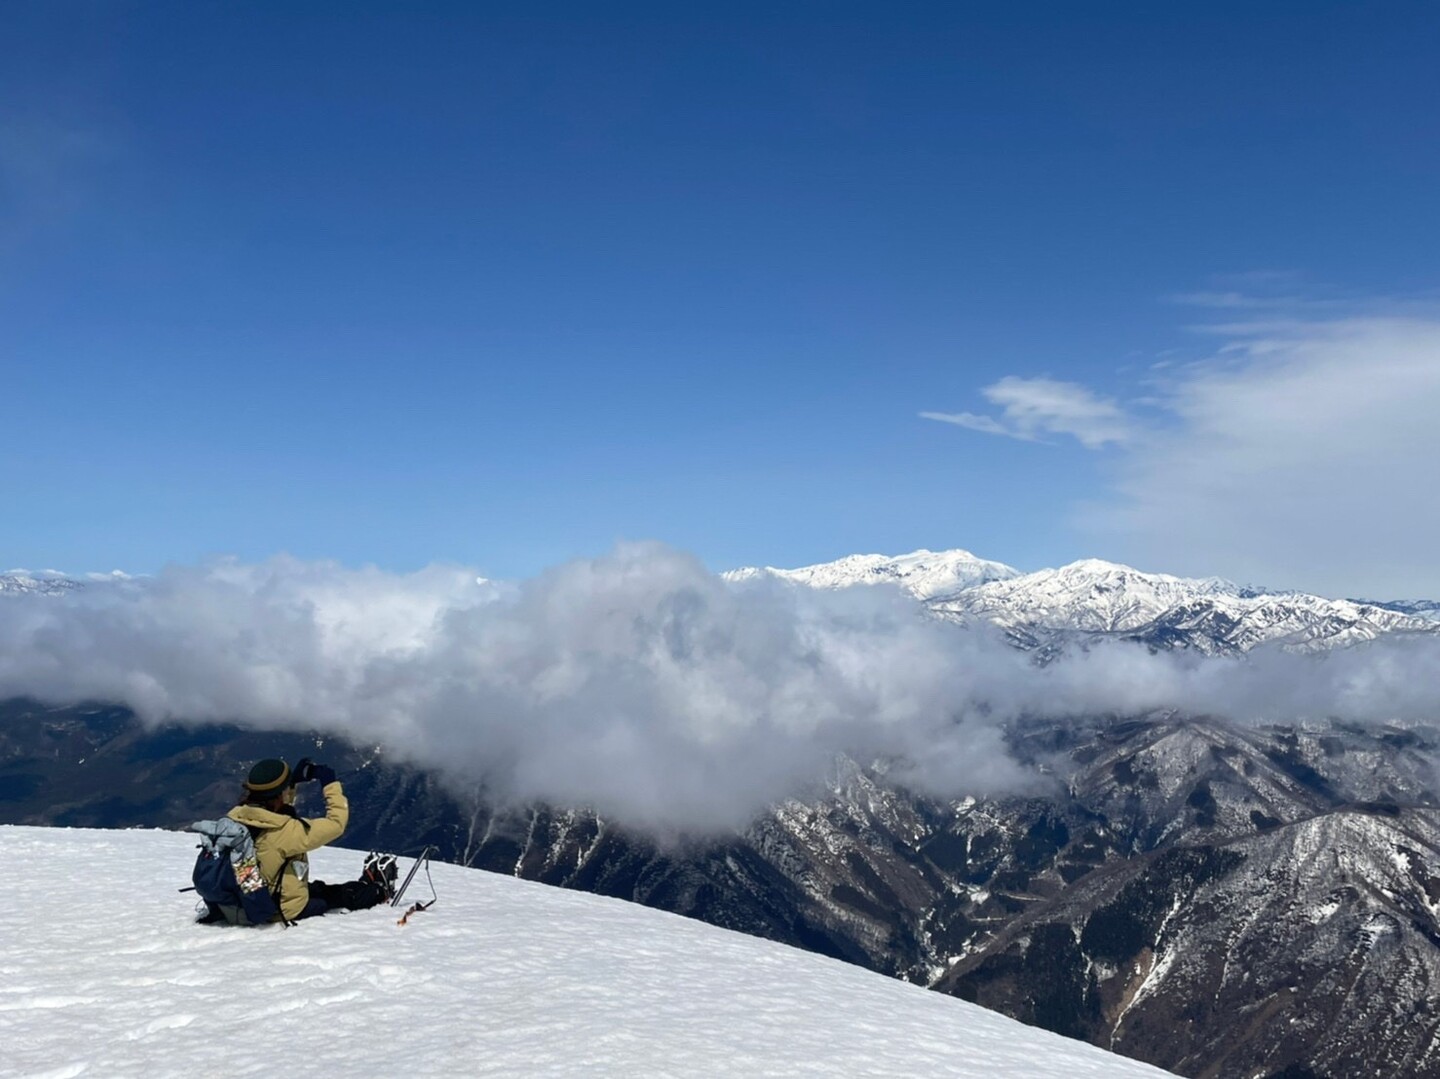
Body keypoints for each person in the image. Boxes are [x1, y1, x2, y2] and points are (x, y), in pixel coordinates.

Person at [227, 757, 396, 921]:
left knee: (317, 888)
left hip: (238, 903)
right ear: (279, 793)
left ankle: (365, 886)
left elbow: (273, 814)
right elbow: (336, 824)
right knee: (338, 896)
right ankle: (379, 891)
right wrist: (330, 785)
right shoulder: (286, 831)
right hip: (277, 909)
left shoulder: (234, 819)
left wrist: (291, 784)